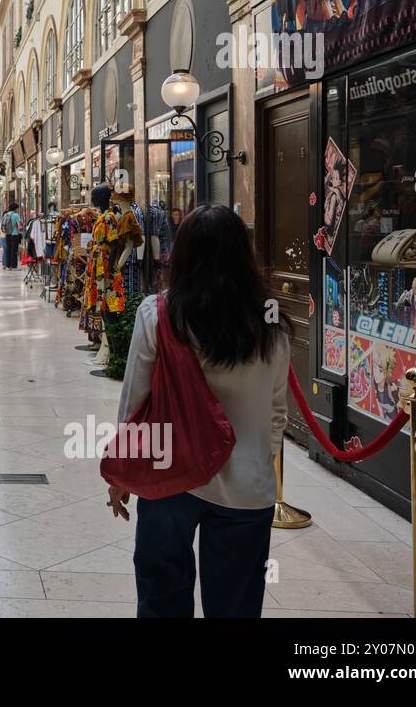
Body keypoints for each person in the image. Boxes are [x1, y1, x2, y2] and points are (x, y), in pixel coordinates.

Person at [107, 204, 290, 618]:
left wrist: (122, 472)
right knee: (236, 606)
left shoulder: (157, 314)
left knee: (162, 601)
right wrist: (258, 462)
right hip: (247, 489)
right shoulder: (272, 325)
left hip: (169, 478)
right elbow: (276, 411)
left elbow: (134, 404)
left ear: (182, 253)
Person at [2, 202, 23, 270]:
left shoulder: (6, 215)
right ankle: (14, 266)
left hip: (7, 234)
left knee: (8, 250)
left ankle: (8, 266)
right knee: (14, 250)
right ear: (15, 208)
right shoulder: (16, 215)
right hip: (14, 235)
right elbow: (19, 226)